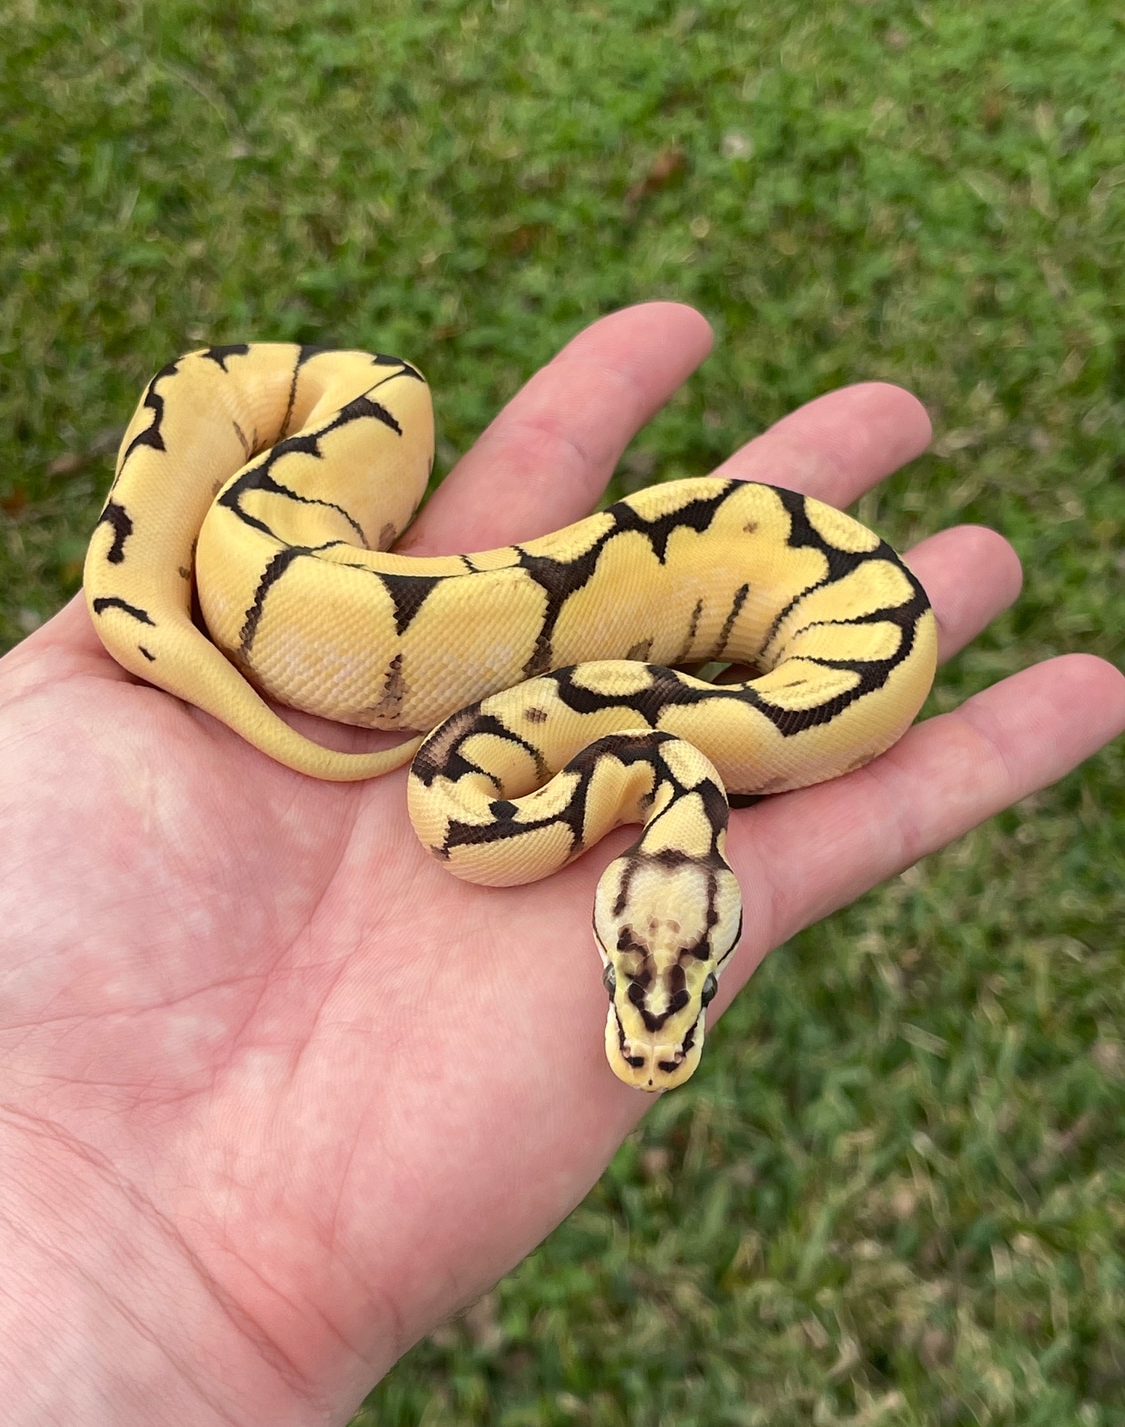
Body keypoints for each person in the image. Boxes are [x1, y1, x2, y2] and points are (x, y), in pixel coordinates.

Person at [1, 302, 1121, 1425]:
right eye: (665, 977)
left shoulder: (552, 783)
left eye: (643, 977)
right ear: (681, 890)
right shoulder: (631, 773)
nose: (653, 1020)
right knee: (363, 422)